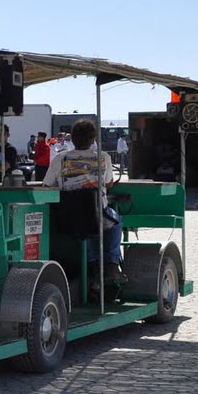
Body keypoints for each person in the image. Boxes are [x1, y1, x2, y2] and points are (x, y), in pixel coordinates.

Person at [43, 119, 123, 282]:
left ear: (71, 138)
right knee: (116, 220)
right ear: (93, 139)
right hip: (96, 213)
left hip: (66, 215)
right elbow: (108, 183)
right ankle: (112, 263)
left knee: (84, 227)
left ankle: (91, 262)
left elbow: (47, 185)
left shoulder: (60, 159)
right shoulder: (104, 158)